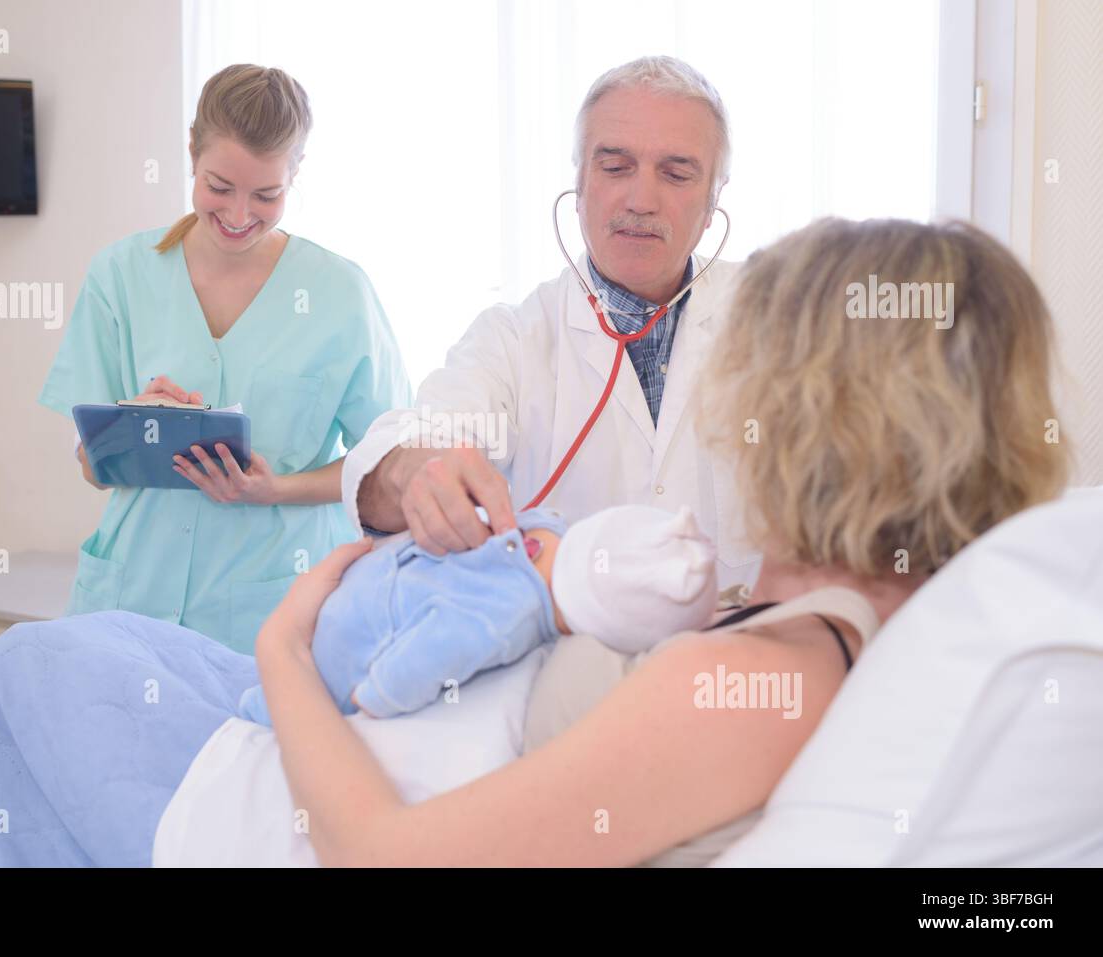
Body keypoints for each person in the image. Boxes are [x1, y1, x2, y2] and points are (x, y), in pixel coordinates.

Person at [250, 216, 1071, 866]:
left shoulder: (757, 681)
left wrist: (281, 649)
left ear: (803, 413)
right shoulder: (834, 626)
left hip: (279, 768)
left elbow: (383, 855)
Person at [343, 56, 760, 593]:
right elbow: (421, 437)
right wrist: (414, 472)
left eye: (676, 174)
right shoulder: (513, 340)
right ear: (579, 184)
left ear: (714, 199)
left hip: (742, 636)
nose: (641, 200)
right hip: (570, 642)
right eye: (615, 167)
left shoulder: (779, 320)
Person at [39, 65, 411, 652]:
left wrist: (276, 489)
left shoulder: (340, 293)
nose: (239, 216)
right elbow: (94, 468)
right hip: (130, 598)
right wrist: (136, 423)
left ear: (295, 173)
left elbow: (387, 464)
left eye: (267, 195)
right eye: (219, 187)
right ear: (192, 152)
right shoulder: (120, 275)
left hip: (271, 607)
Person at [234, 503, 717, 725]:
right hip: (349, 651)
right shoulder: (506, 619)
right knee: (275, 709)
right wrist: (377, 696)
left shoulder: (543, 524)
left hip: (360, 582)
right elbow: (425, 659)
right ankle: (259, 711)